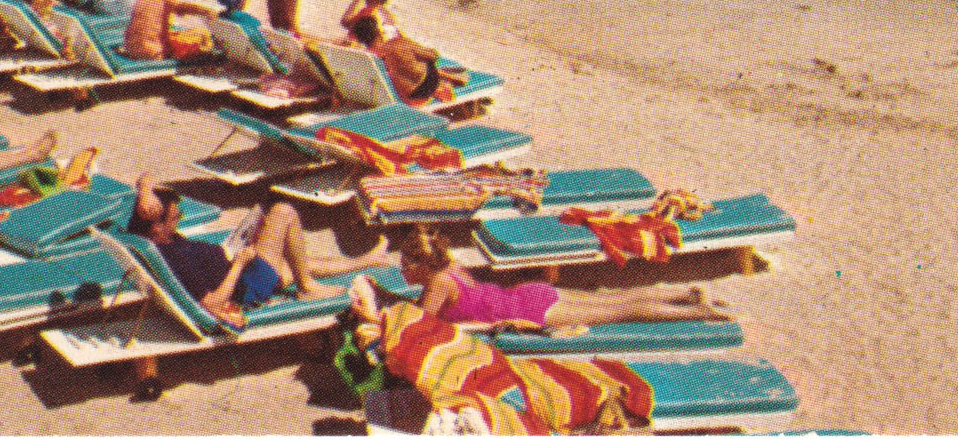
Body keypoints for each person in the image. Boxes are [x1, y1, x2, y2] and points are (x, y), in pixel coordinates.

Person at [352, 227, 725, 335]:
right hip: (530, 293)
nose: (401, 270)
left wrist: (372, 317)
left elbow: (419, 327)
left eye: (405, 264)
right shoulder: (450, 268)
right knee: (614, 298)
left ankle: (698, 312)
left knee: (621, 312)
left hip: (531, 309)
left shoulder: (435, 286)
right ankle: (685, 292)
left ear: (421, 265)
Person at [128, 174, 382, 330]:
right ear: (157, 227)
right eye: (174, 218)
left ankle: (367, 260)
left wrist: (145, 187)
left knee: (296, 262)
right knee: (284, 211)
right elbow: (213, 302)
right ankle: (306, 287)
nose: (180, 219)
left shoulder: (151, 238)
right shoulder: (177, 260)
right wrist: (239, 264)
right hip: (247, 285)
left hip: (238, 268)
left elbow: (147, 206)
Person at [345, 11, 443, 104]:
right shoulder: (398, 43)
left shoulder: (365, 56)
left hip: (404, 95)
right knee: (424, 56)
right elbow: (433, 56)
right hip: (426, 88)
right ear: (379, 31)